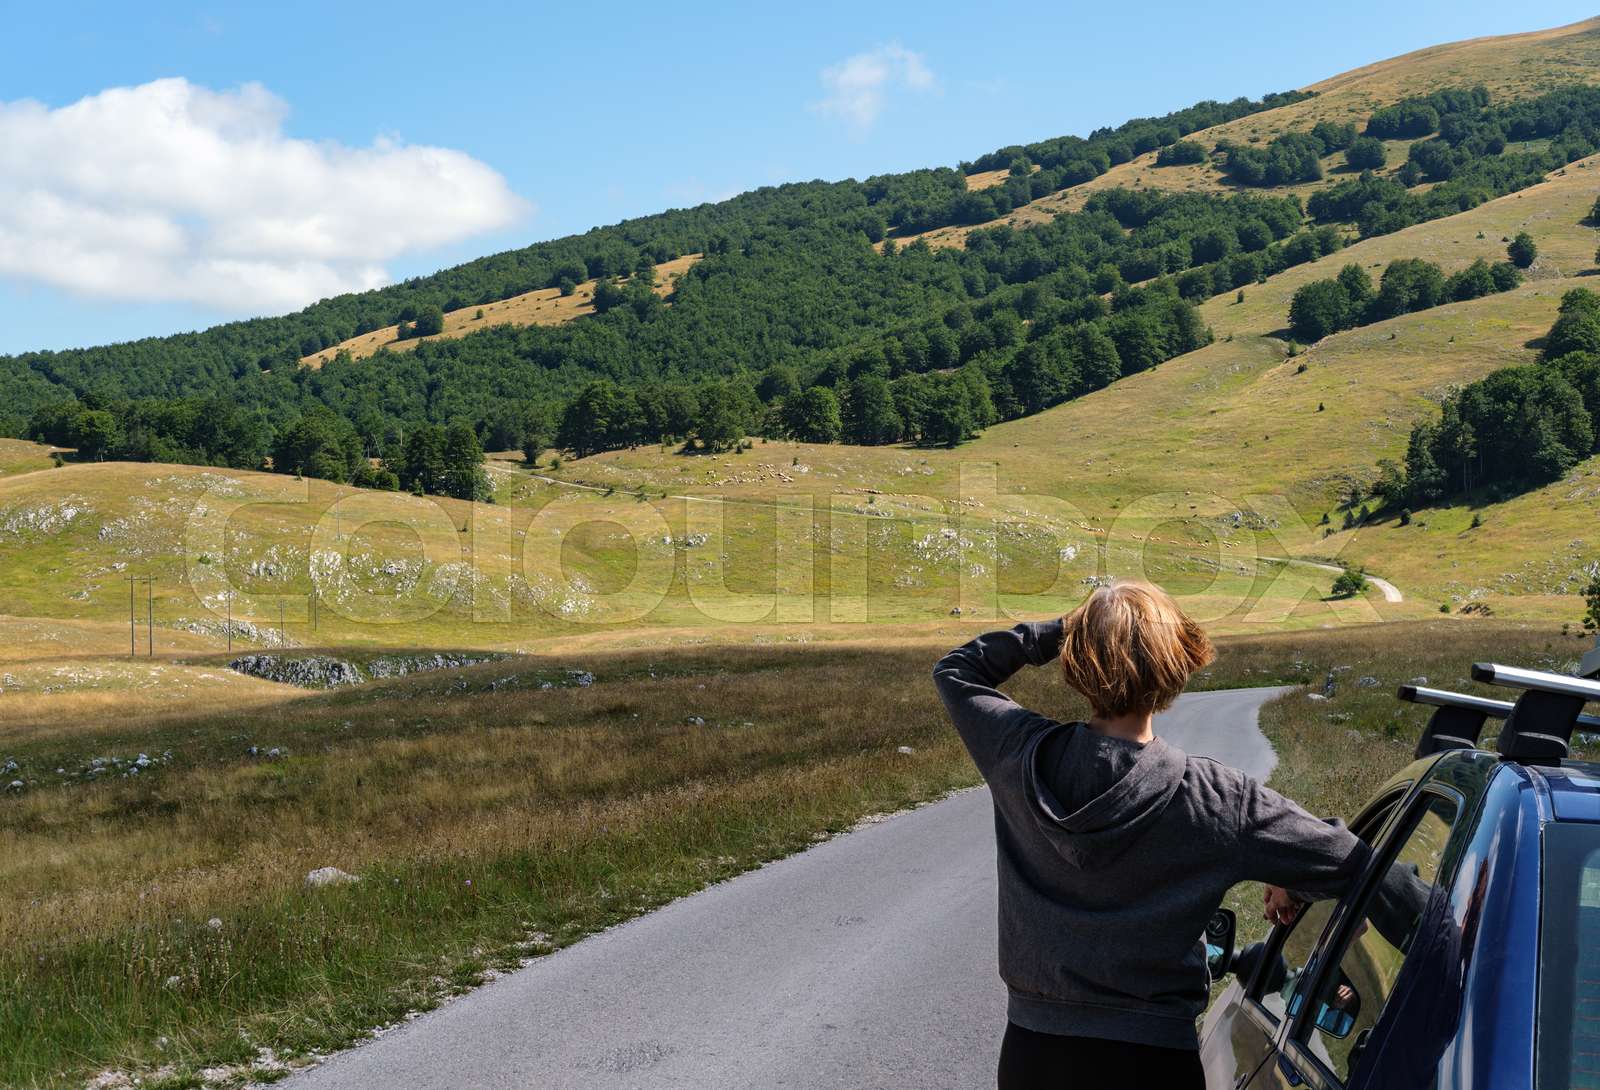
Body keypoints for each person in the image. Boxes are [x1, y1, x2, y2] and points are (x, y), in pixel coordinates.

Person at [932, 581, 1371, 1090]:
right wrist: (1291, 877)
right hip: (1153, 1061)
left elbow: (957, 669)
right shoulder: (1220, 799)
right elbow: (1351, 864)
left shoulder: (1017, 752)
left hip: (1034, 1053)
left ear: (1076, 662)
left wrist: (1067, 629)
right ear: (1176, 667)